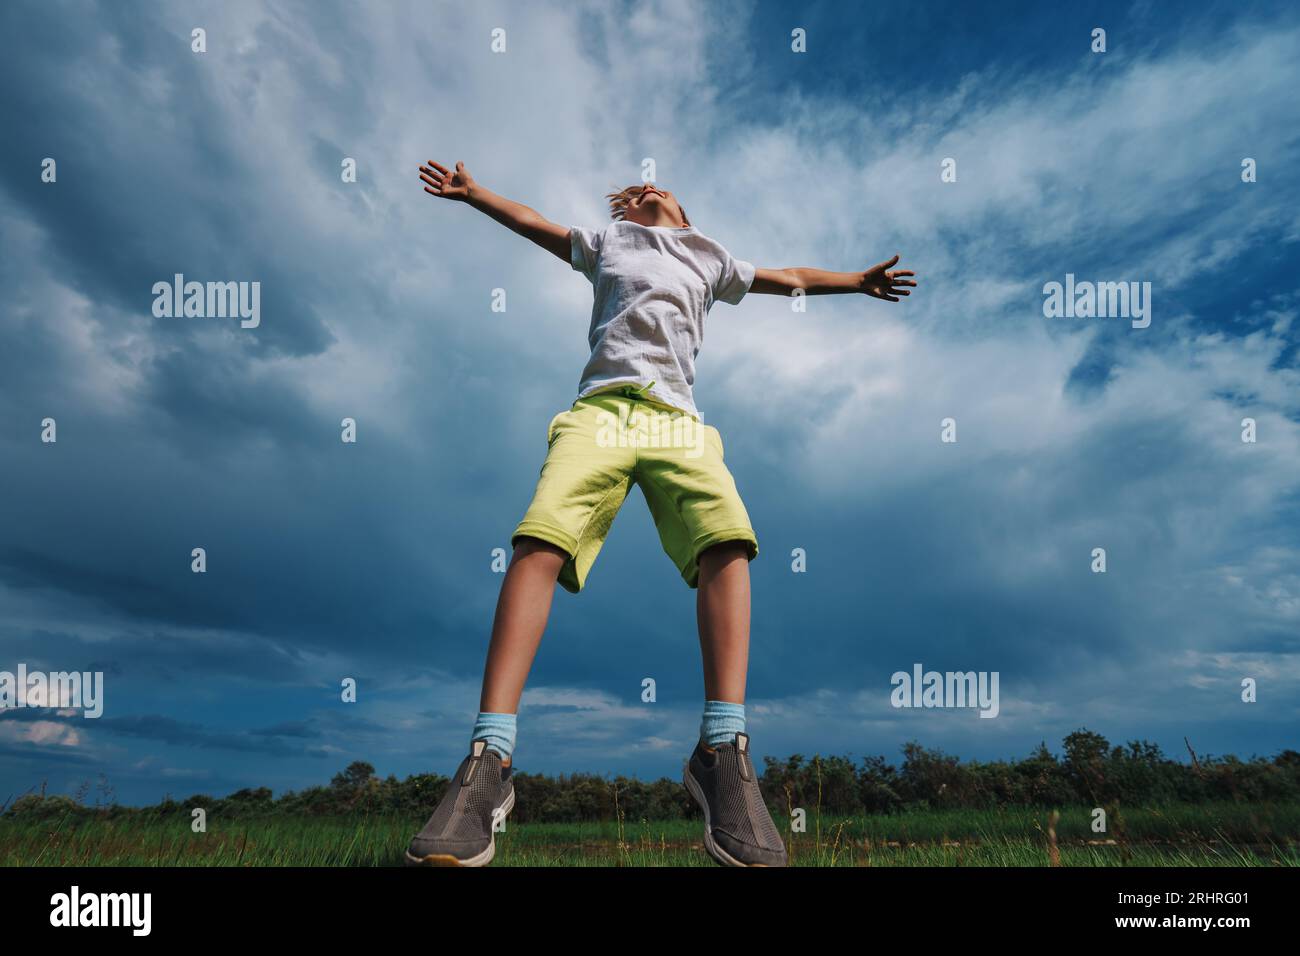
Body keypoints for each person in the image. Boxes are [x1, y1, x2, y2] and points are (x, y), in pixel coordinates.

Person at [404, 160, 917, 867]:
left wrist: (856, 283)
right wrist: (476, 195)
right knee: (540, 540)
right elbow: (536, 226)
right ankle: (488, 759)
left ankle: (722, 750)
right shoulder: (609, 240)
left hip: (678, 421)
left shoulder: (710, 258)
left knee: (729, 540)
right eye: (635, 191)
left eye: (657, 188)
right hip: (601, 411)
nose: (645, 191)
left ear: (683, 205)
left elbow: (789, 277)